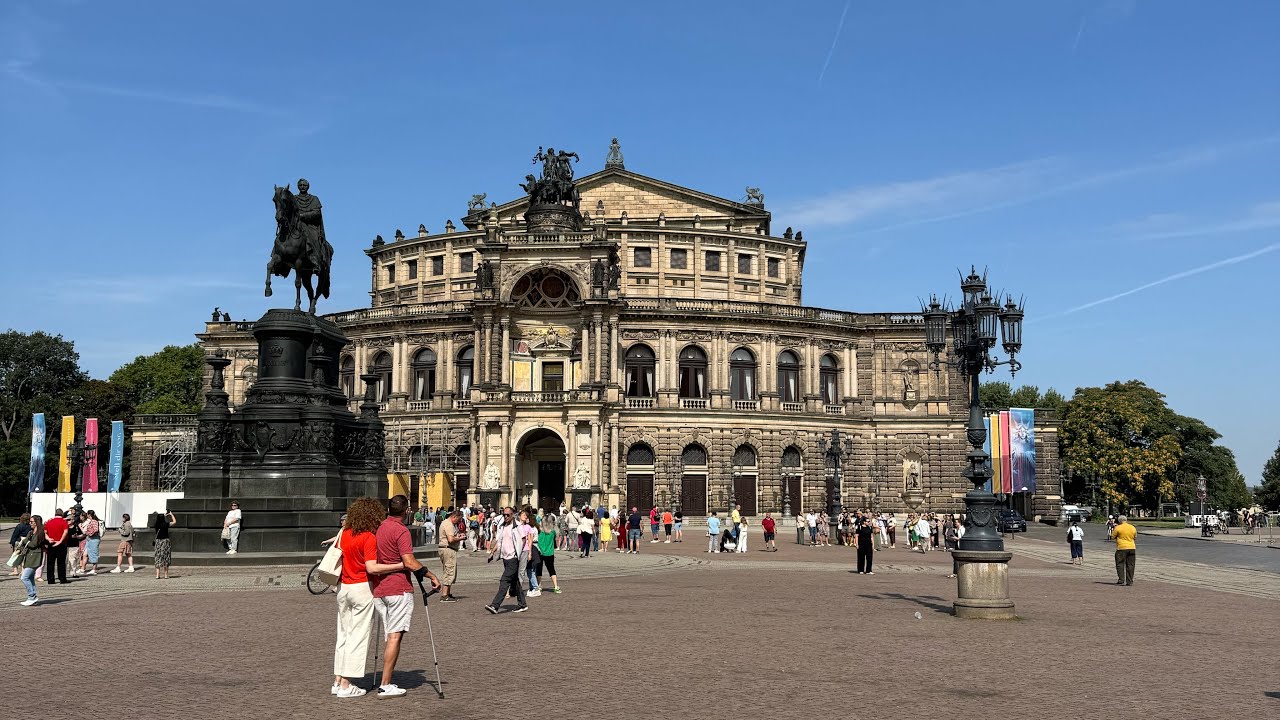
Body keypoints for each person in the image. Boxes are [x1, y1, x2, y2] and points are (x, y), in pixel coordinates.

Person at [331, 497, 406, 698]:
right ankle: (346, 685)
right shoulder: (368, 537)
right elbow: (372, 567)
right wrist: (400, 565)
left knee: (344, 634)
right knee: (358, 636)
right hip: (361, 587)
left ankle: (338, 680)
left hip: (343, 587)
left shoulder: (345, 533)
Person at [370, 495, 440, 699]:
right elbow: (409, 561)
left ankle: (384, 679)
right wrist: (430, 575)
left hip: (380, 589)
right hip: (397, 588)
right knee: (395, 636)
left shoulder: (380, 527)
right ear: (406, 511)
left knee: (389, 635)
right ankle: (385, 684)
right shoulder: (401, 530)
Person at [485, 507, 528, 614]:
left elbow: (524, 539)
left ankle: (495, 606)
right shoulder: (502, 526)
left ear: (512, 515)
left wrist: (518, 552)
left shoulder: (518, 526)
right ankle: (522, 604)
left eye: (508, 515)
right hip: (505, 558)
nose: (505, 517)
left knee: (504, 580)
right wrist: (492, 553)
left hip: (513, 558)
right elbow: (499, 541)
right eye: (504, 514)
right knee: (515, 581)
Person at [15, 515, 45, 606]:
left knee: (24, 577)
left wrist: (25, 541)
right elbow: (28, 543)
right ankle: (33, 597)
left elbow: (33, 544)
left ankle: (32, 596)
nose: (30, 523)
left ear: (37, 523)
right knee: (30, 578)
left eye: (32, 522)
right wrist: (26, 541)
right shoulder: (31, 532)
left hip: (35, 557)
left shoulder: (40, 533)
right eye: (30, 521)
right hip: (29, 556)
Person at [437, 509, 463, 603]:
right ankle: (444, 595)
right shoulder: (449, 525)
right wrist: (460, 538)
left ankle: (447, 593)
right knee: (449, 570)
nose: (458, 522)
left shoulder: (445, 522)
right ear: (454, 517)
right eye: (458, 520)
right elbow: (451, 539)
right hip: (448, 549)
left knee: (449, 570)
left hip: (445, 549)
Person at [535, 514, 562, 593]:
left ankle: (539, 586)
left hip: (540, 552)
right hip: (549, 553)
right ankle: (556, 586)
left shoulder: (539, 531)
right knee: (551, 569)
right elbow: (555, 540)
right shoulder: (553, 532)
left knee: (539, 569)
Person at [43, 509, 69, 585]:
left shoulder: (49, 522)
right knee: (61, 562)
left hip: (51, 543)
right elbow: (65, 532)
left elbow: (45, 532)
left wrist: (48, 539)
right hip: (61, 544)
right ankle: (62, 578)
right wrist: (60, 541)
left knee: (50, 562)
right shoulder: (64, 522)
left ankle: (50, 579)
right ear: (62, 514)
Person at [1110, 514, 1137, 586]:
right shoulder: (1132, 527)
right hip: (1132, 547)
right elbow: (1135, 537)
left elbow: (1112, 537)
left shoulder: (1118, 528)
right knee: (1131, 565)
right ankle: (1130, 581)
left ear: (1119, 521)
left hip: (1121, 548)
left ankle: (1121, 579)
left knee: (1120, 563)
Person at [152, 509, 177, 579]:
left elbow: (160, 519)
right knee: (166, 557)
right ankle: (166, 575)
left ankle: (157, 575)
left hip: (158, 542)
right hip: (165, 541)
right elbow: (174, 522)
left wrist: (163, 516)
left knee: (158, 557)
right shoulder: (165, 524)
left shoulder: (156, 525)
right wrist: (171, 514)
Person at [79, 509, 102, 575]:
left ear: (89, 515)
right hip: (89, 539)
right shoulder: (91, 521)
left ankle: (94, 569)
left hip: (94, 539)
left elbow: (95, 530)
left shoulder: (94, 521)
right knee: (85, 553)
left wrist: (89, 533)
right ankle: (83, 568)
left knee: (94, 554)